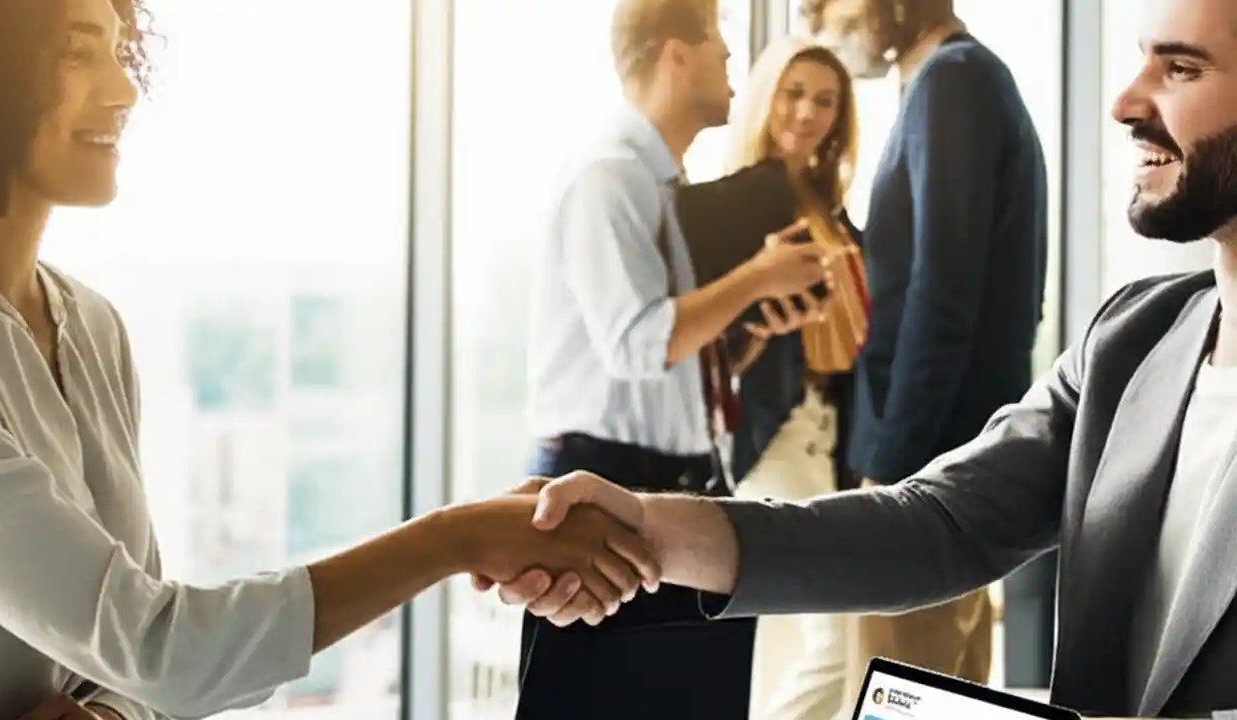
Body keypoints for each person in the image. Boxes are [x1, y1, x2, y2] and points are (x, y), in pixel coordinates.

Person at [484, 1, 1237, 716]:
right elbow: (936, 524)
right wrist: (643, 528)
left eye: (1181, 68)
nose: (1124, 103)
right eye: (1143, 60)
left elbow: (943, 300)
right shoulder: (1129, 342)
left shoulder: (955, 84)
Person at [0, 1, 661, 718]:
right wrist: (458, 537)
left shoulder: (92, 327)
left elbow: (130, 665)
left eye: (117, 50)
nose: (122, 90)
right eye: (77, 53)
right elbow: (164, 650)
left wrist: (112, 716)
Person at [510, 0, 830, 716]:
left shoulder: (660, 186)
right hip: (606, 487)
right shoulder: (608, 177)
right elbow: (637, 343)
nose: (731, 61)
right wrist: (758, 278)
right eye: (718, 41)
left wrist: (755, 330)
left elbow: (668, 371)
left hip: (666, 487)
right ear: (675, 55)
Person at [804, 0, 1047, 691]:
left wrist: (892, 470)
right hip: (953, 467)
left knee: (896, 691)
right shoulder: (962, 79)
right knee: (943, 692)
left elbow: (943, 296)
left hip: (926, 472)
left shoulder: (954, 82)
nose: (817, 16)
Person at [724, 36, 864, 720]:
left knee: (786, 646)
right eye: (794, 94)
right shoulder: (739, 203)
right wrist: (757, 326)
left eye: (825, 101)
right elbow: (712, 347)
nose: (807, 112)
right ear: (766, 98)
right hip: (774, 437)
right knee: (839, 631)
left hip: (830, 431)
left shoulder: (831, 207)